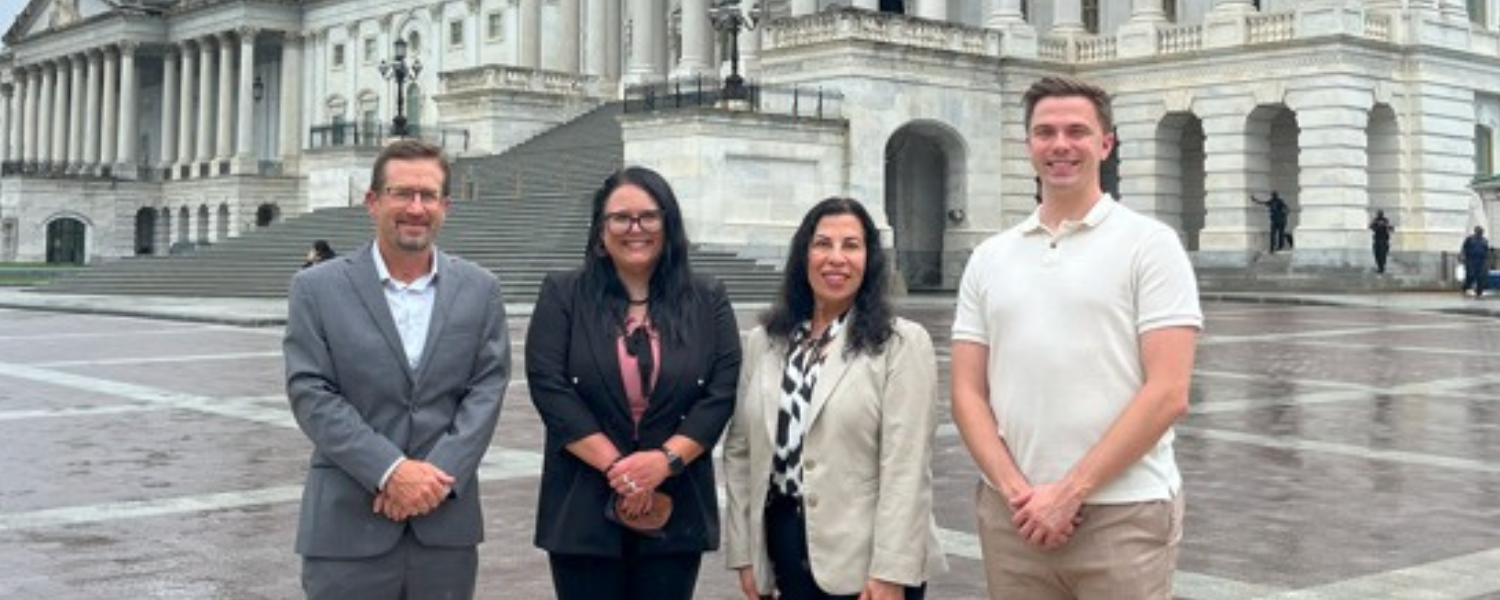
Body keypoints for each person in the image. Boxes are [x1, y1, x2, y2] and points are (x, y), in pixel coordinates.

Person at [950, 75, 1203, 600]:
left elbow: (1168, 392)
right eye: (1044, 132)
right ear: (1028, 145)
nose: (1060, 145)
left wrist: (1069, 492)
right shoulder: (989, 257)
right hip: (1014, 517)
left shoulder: (1150, 246)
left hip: (1123, 512)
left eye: (1077, 132)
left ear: (1105, 144)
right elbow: (967, 394)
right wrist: (1020, 493)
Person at [283, 139, 511, 600]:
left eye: (428, 195)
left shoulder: (480, 289)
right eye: (401, 193)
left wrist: (433, 479)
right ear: (372, 201)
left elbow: (486, 390)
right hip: (348, 525)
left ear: (446, 206)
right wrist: (391, 471)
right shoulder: (316, 288)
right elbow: (312, 393)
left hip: (444, 529)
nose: (416, 207)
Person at [525, 166, 742, 600]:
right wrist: (620, 471)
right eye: (621, 218)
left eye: (648, 216)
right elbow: (549, 387)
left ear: (669, 223)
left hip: (675, 503)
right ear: (601, 231)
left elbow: (719, 393)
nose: (635, 229)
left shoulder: (707, 298)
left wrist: (663, 463)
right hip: (582, 505)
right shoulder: (563, 293)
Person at [724, 197, 948, 600]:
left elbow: (906, 465)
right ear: (803, 254)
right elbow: (740, 451)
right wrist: (745, 554)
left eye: (851, 246)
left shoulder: (901, 344)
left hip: (865, 557)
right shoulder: (766, 341)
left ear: (870, 259)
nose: (836, 258)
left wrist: (890, 571)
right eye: (823, 244)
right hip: (783, 550)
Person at [1461, 225, 1490, 298]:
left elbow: (1486, 251)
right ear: (1475, 231)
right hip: (1471, 260)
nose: (1480, 233)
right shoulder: (1470, 239)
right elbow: (1464, 248)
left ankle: (1479, 292)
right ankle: (1465, 288)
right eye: (1478, 231)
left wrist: (1487, 261)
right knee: (1471, 275)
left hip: (1482, 261)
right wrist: (1463, 257)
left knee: (1481, 277)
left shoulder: (1484, 240)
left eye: (1481, 231)